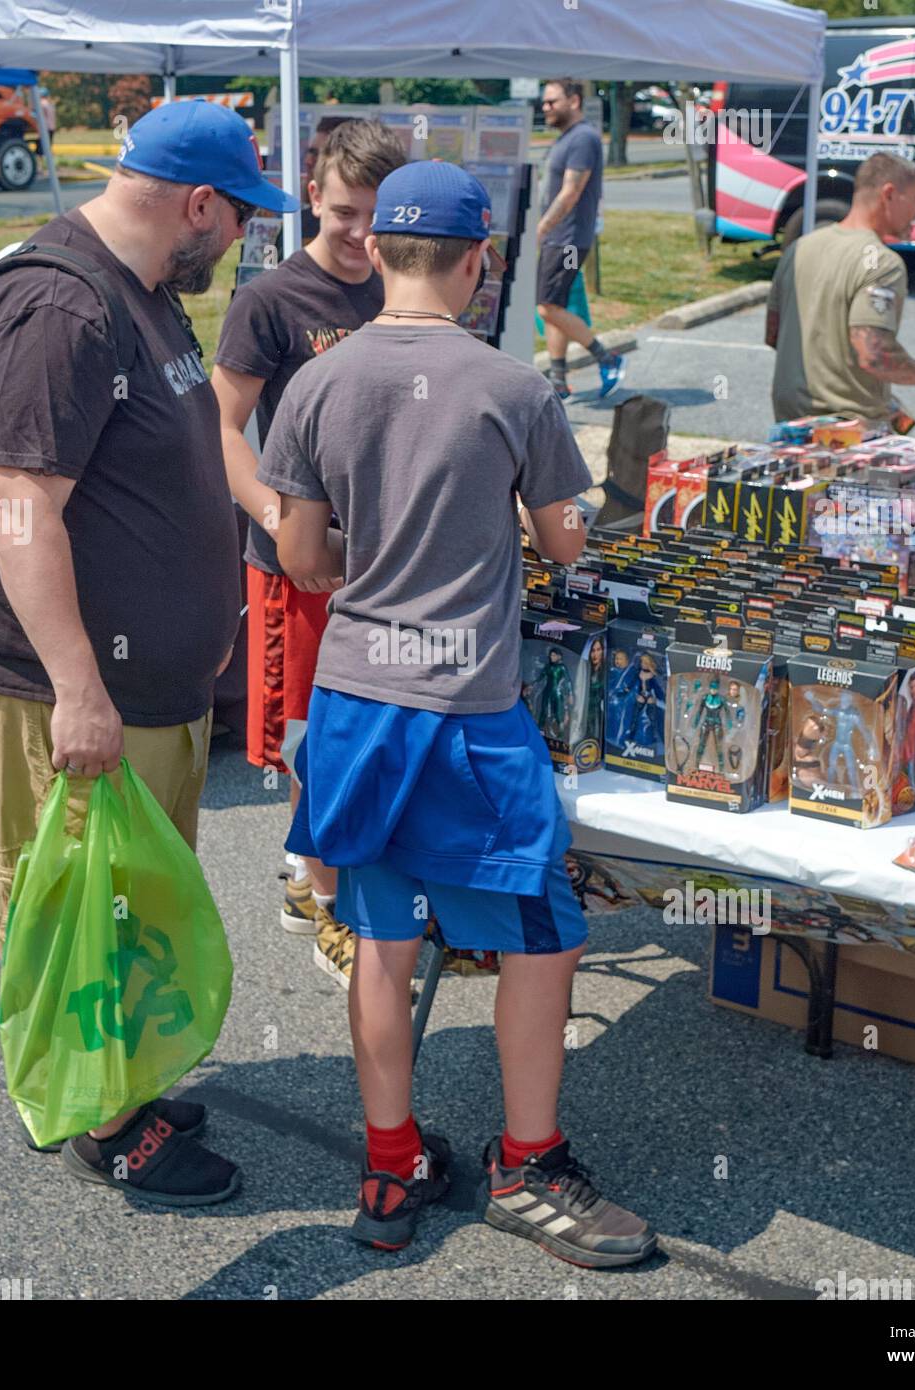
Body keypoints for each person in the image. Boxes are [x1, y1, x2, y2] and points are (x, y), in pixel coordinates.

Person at [258, 160, 657, 1266]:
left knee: (380, 943)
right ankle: (527, 1163)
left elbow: (299, 556)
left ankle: (392, 1164)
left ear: (376, 252)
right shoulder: (513, 385)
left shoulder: (318, 382)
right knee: (542, 938)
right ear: (480, 264)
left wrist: (377, 553)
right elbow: (568, 537)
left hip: (354, 699)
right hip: (465, 709)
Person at [0, 99, 298, 1204]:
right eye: (241, 216)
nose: (243, 238)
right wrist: (79, 689)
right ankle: (105, 1124)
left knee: (129, 908)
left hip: (145, 690)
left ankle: (124, 1087)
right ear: (197, 204)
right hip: (56, 693)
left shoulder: (140, 294)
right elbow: (19, 510)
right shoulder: (62, 306)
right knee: (75, 916)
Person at [214, 119, 405, 986]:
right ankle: (321, 899)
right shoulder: (271, 301)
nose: (361, 236)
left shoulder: (405, 290)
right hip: (299, 562)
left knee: (368, 727)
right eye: (342, 216)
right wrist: (282, 526)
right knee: (309, 738)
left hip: (386, 557)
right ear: (311, 198)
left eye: (377, 218)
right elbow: (218, 427)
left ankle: (326, 872)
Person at [767, 152, 915, 431]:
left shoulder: (797, 249)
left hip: (790, 425)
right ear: (888, 194)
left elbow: (775, 335)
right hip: (849, 434)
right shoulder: (882, 263)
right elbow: (874, 356)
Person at [535, 80, 624, 401]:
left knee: (546, 308)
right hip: (560, 236)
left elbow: (571, 192)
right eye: (544, 102)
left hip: (568, 238)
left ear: (573, 101)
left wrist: (541, 228)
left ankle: (608, 358)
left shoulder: (583, 138)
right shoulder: (567, 138)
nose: (545, 107)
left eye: (551, 101)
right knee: (555, 304)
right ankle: (558, 380)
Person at [300, 114, 353, 242]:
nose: (308, 160)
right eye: (310, 152)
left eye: (319, 154)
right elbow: (271, 261)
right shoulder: (297, 225)